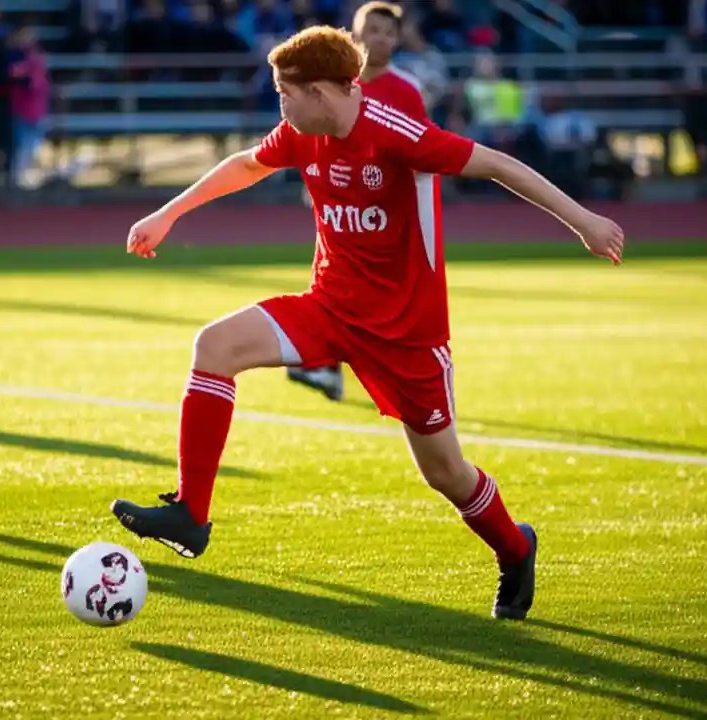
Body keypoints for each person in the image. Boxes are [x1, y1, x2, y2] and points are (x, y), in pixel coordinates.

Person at [110, 26, 624, 620]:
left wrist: (583, 220)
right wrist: (169, 213)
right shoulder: (304, 132)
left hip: (407, 337)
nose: (280, 106)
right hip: (329, 309)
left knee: (445, 473)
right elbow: (246, 166)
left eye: (285, 93)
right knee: (215, 345)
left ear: (323, 93)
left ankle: (515, 548)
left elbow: (499, 165)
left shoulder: (394, 134)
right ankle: (191, 515)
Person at [287, 2, 427, 403]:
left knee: (377, 296)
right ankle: (326, 364)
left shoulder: (405, 91)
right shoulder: (337, 84)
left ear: (398, 40)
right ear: (354, 32)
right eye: (373, 29)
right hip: (342, 205)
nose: (379, 38)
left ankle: (399, 372)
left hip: (385, 213)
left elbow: (422, 150)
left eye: (388, 32)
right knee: (334, 282)